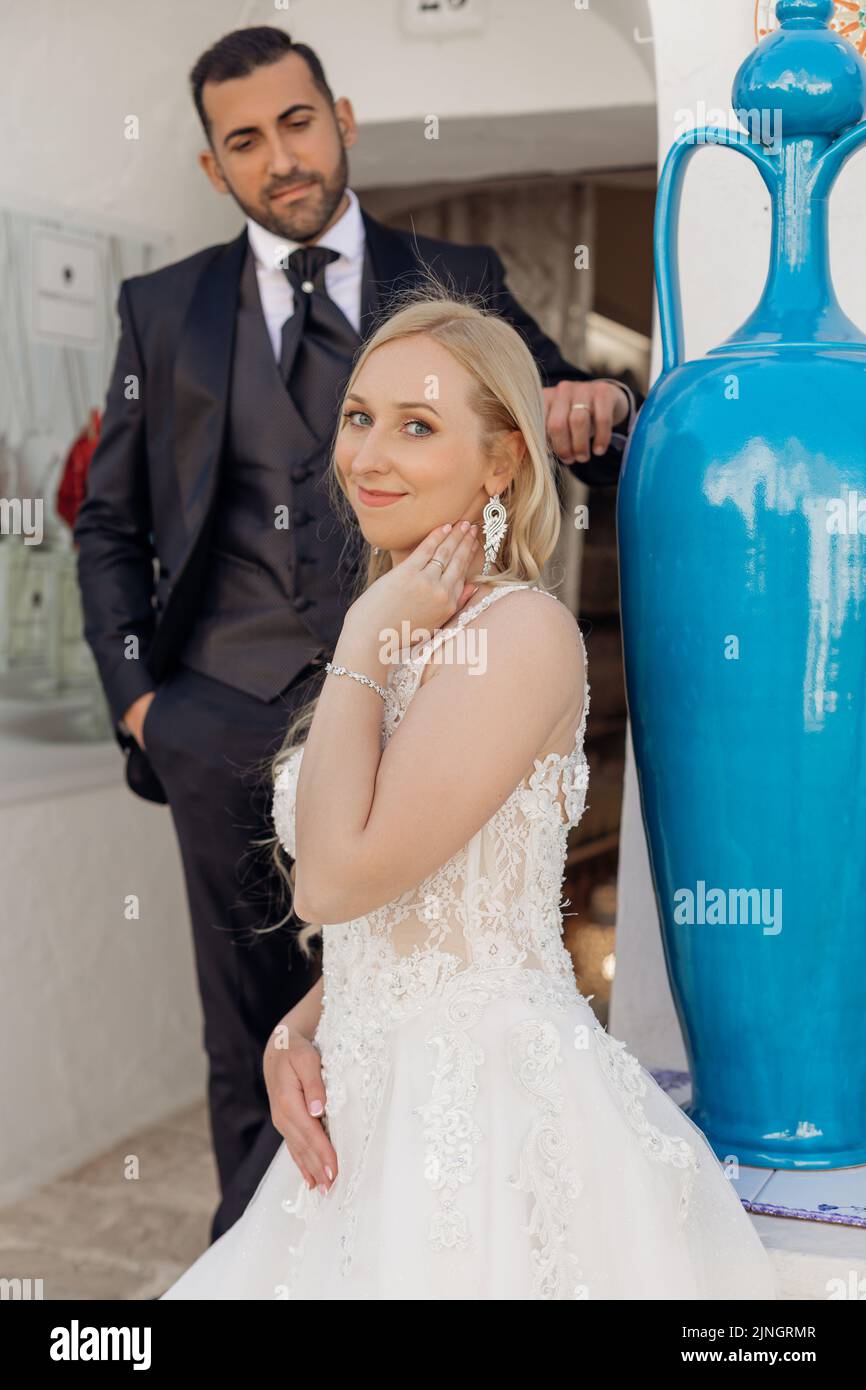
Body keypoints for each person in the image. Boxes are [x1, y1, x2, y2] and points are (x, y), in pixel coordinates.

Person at [74, 25, 642, 1244]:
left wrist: (602, 402)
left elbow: (539, 409)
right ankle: (263, 1240)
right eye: (243, 140)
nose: (279, 156)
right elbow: (107, 524)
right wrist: (144, 707)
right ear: (211, 163)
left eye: (294, 122)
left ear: (339, 114)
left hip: (429, 701)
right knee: (253, 1037)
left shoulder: (452, 270)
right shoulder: (162, 308)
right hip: (219, 720)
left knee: (400, 978)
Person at [160, 293, 777, 1300]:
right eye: (359, 416)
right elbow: (413, 912)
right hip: (367, 1109)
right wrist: (300, 1025)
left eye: (417, 425)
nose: (367, 455)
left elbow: (330, 881)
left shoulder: (514, 636)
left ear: (499, 463)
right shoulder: (410, 622)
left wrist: (360, 637)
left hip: (480, 1117)